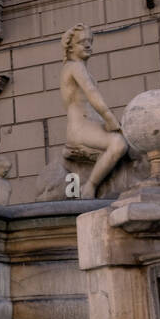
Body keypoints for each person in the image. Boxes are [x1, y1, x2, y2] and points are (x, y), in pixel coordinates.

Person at [60, 24, 127, 198]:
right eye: (82, 42)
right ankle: (90, 186)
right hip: (79, 129)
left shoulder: (80, 68)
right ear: (71, 47)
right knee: (118, 144)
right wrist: (110, 119)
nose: (88, 45)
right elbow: (92, 93)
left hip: (90, 125)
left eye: (90, 41)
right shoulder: (75, 67)